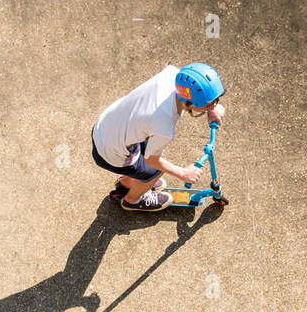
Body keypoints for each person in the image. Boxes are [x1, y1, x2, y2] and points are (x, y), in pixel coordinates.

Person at [92, 62, 225, 212]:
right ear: (191, 103)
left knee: (151, 154)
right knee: (155, 170)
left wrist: (210, 108)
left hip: (105, 125)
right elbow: (151, 160)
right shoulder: (164, 126)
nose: (214, 105)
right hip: (109, 152)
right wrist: (183, 173)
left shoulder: (172, 75)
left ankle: (128, 183)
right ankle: (133, 200)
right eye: (210, 103)